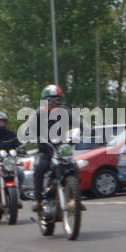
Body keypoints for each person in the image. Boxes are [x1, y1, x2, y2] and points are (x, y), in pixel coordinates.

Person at [31, 84, 78, 219]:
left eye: (56, 100)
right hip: (45, 150)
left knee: (74, 167)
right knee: (40, 167)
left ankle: (76, 197)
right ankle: (37, 199)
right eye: (50, 100)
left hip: (61, 149)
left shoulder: (65, 112)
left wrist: (83, 129)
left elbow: (78, 122)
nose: (53, 103)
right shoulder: (38, 114)